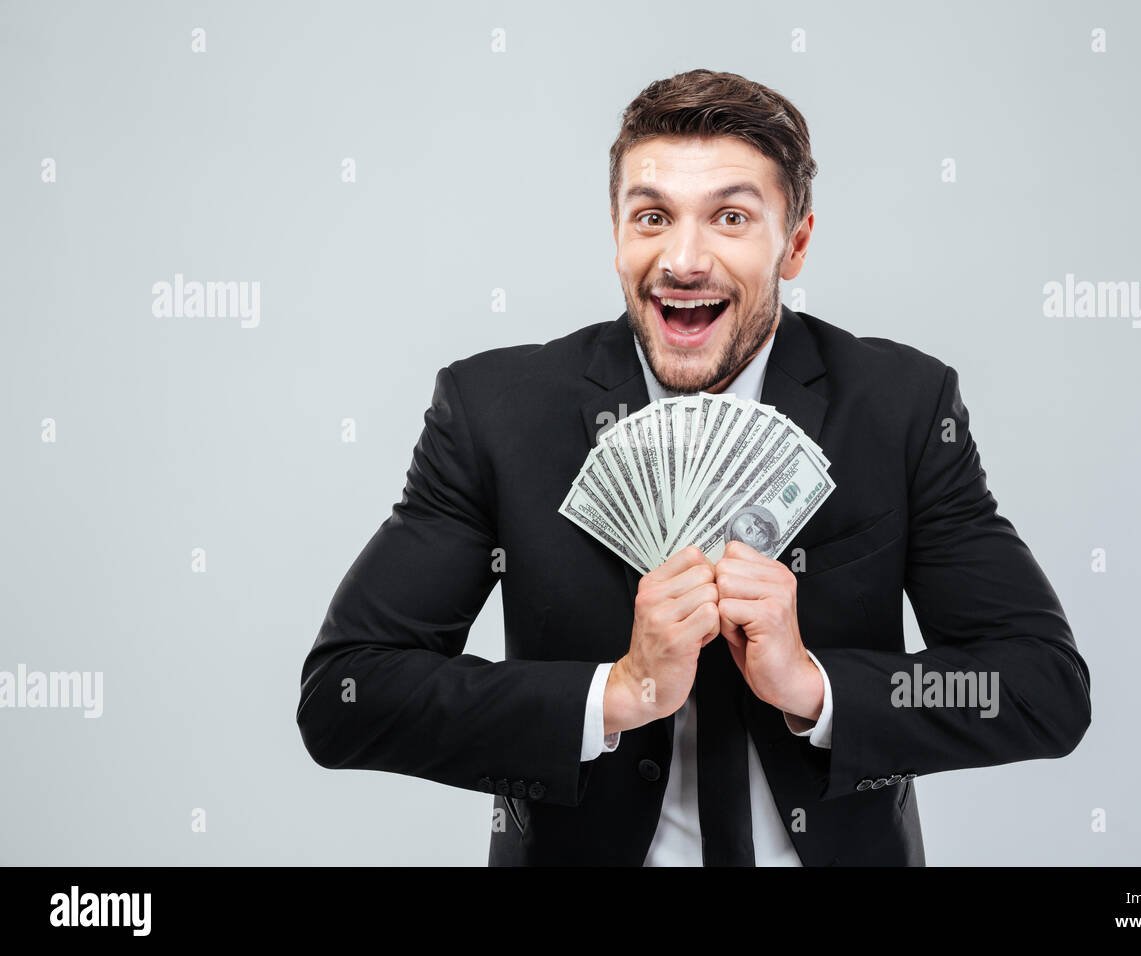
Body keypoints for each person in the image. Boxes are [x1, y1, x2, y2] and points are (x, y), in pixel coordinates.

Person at [295, 68, 1091, 866]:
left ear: (797, 242)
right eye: (652, 216)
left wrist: (815, 687)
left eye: (731, 217)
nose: (683, 259)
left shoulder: (902, 407)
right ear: (615, 235)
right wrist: (616, 692)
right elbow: (346, 696)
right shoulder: (494, 412)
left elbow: (1040, 689)